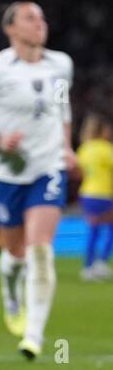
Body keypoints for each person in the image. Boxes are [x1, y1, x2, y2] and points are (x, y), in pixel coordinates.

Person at [0, 1, 75, 358]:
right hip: (6, 171)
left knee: (40, 250)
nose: (40, 23)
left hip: (47, 167)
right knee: (15, 252)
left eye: (42, 17)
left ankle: (33, 337)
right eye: (30, 18)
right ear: (10, 29)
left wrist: (67, 147)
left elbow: (61, 107)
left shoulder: (61, 64)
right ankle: (11, 294)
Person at [74, 113, 113, 281]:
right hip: (104, 194)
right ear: (102, 131)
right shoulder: (105, 148)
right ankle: (101, 262)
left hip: (87, 193)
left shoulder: (84, 148)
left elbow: (78, 171)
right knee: (110, 228)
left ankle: (87, 266)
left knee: (93, 229)